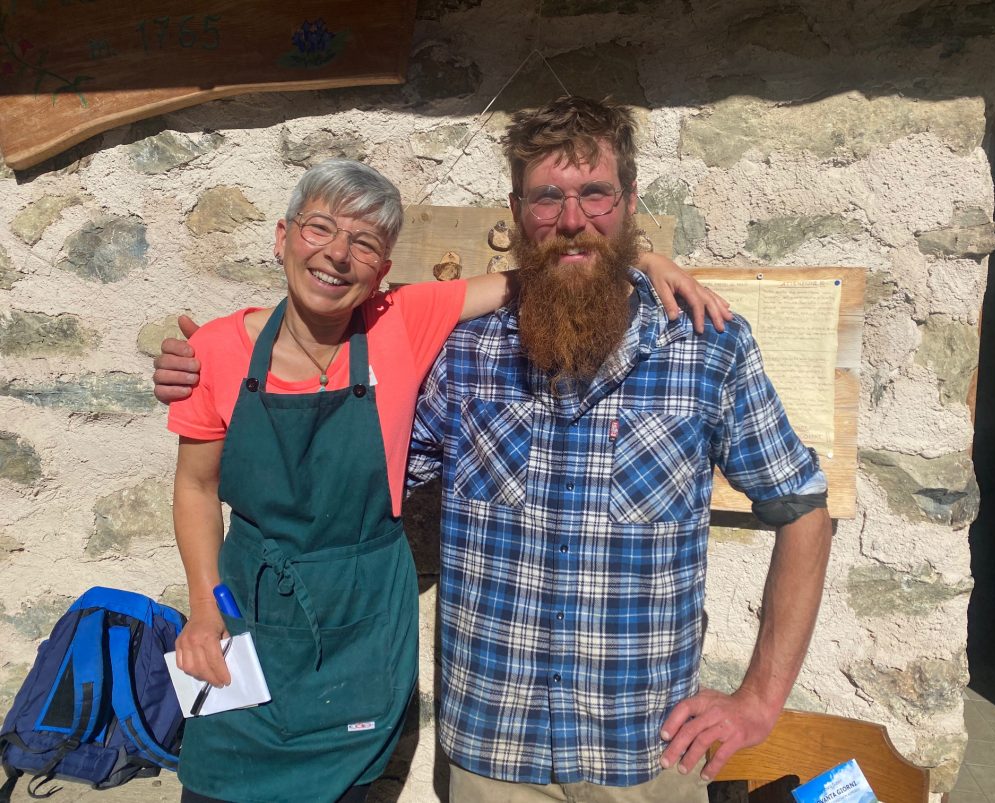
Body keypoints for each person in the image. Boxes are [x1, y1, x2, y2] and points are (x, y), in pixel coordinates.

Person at [160, 157, 730, 803]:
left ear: (382, 269)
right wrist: (205, 609)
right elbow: (196, 488)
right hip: (252, 606)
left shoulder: (402, 320)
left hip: (363, 619)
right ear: (282, 236)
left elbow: (538, 274)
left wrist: (642, 263)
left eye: (364, 242)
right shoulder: (213, 350)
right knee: (217, 782)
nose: (337, 254)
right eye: (319, 228)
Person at [405, 96, 834, 802]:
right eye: (548, 197)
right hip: (493, 752)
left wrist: (760, 697)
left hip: (647, 754)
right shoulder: (465, 350)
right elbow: (378, 478)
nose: (572, 219)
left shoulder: (706, 347)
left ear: (629, 203)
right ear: (517, 211)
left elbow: (802, 508)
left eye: (595, 194)